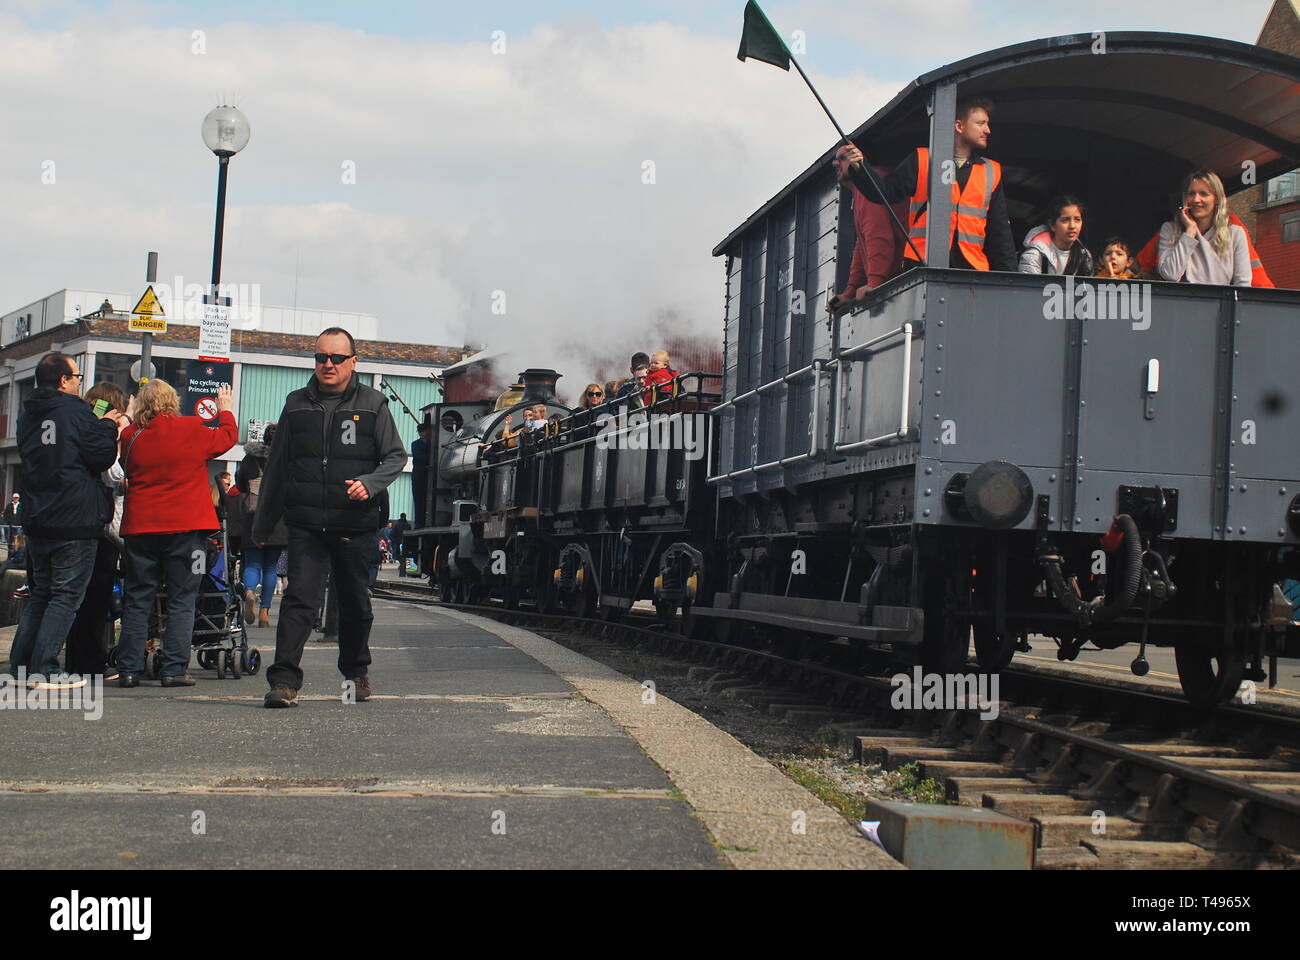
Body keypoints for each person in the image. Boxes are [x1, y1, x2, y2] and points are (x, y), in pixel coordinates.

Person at [252, 327, 407, 708]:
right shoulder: (295, 404)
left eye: (337, 358)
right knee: (298, 601)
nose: (328, 364)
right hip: (306, 523)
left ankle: (355, 673)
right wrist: (263, 525)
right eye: (321, 357)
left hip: (355, 523)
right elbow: (277, 467)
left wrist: (370, 484)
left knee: (355, 602)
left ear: (354, 362)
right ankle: (284, 681)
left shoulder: (374, 404)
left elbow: (395, 457)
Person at [7, 353, 122, 690]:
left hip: (38, 516)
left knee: (41, 594)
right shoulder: (77, 411)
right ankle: (45, 668)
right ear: (62, 381)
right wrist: (108, 425)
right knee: (66, 596)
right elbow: (101, 456)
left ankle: (20, 668)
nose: (78, 381)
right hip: (74, 518)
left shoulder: (27, 414)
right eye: (76, 376)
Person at [116, 379, 238, 688]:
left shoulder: (131, 436)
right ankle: (173, 669)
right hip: (187, 529)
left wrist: (129, 418)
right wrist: (225, 411)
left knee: (138, 597)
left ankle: (129, 669)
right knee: (182, 598)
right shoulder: (191, 429)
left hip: (141, 527)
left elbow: (125, 467)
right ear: (173, 401)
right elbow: (226, 438)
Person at [841, 97, 1017, 273]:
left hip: (972, 268)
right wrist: (860, 168)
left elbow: (1000, 232)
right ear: (959, 126)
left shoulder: (991, 171)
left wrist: (1012, 281)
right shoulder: (922, 159)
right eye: (981, 123)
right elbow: (884, 192)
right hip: (922, 264)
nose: (987, 130)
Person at [65, 382, 131, 680]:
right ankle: (92, 663)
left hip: (78, 520)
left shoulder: (80, 426)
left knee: (77, 598)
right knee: (96, 598)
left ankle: (74, 661)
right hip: (103, 525)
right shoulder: (104, 433)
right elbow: (113, 474)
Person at [827, 152, 908, 313]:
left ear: (859, 157)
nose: (835, 163)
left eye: (842, 158)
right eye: (835, 159)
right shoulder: (862, 190)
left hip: (902, 276)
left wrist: (874, 282)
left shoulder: (871, 184)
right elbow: (863, 242)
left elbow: (879, 237)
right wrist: (850, 291)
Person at [1153, 170, 1253, 285]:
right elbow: (1170, 274)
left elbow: (1243, 284)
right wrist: (1190, 231)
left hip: (1220, 302)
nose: (1196, 200)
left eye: (1203, 194)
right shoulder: (1170, 229)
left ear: (1216, 199)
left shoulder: (1235, 234)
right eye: (1191, 194)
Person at [235, 424, 288, 629]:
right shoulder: (285, 459)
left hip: (253, 517)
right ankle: (264, 613)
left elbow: (240, 485)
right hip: (278, 520)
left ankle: (249, 591)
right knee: (271, 567)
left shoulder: (250, 460)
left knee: (252, 564)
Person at [1018, 195, 1094, 276]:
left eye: (1077, 220)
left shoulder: (1084, 256)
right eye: (1065, 220)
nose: (1072, 226)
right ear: (1052, 225)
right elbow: (1030, 287)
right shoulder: (1034, 255)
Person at [410, 421, 431, 530]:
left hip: (429, 474)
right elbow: (419, 457)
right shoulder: (415, 444)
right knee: (418, 499)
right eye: (421, 432)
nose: (422, 433)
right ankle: (419, 522)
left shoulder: (432, 443)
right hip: (419, 474)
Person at [392, 512, 410, 576]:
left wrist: (394, 541)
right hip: (406, 542)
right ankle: (404, 568)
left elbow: (392, 534)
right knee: (405, 555)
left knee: (399, 555)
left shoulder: (397, 525)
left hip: (398, 542)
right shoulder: (408, 525)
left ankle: (402, 569)